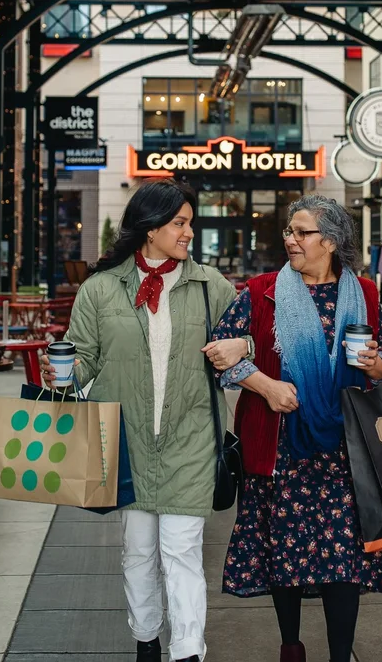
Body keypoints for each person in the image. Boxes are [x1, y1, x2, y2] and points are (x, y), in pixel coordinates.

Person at [41, 180, 238, 662]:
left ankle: (188, 651)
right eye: (179, 223)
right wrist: (60, 374)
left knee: (183, 550)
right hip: (125, 442)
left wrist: (244, 347)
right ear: (149, 229)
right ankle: (146, 639)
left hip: (190, 439)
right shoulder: (101, 289)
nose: (189, 232)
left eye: (190, 222)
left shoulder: (211, 286)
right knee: (138, 552)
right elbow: (84, 358)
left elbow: (247, 344)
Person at [204, 194, 382, 662]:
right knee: (283, 555)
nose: (290, 239)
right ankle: (291, 643)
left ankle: (340, 653)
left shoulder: (365, 294)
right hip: (282, 448)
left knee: (344, 556)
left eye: (301, 232)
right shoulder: (262, 291)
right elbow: (219, 356)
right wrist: (266, 386)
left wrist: (375, 366)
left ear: (329, 241)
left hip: (346, 449)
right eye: (289, 232)